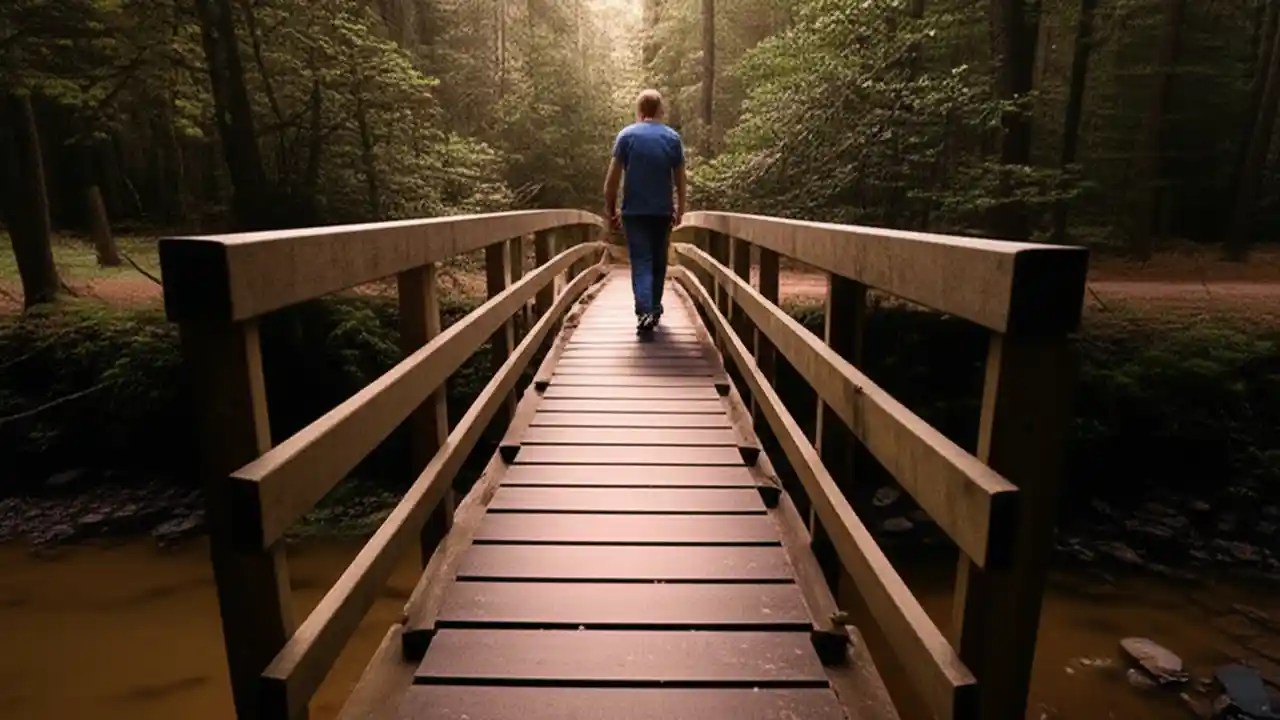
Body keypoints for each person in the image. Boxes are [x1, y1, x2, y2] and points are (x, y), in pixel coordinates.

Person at [604, 89, 687, 334]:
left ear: (639, 111)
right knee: (659, 261)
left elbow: (611, 181)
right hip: (662, 212)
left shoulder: (626, 136)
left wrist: (610, 211)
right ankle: (653, 308)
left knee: (641, 261)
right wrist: (681, 208)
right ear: (660, 111)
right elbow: (681, 180)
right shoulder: (672, 138)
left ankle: (646, 310)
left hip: (634, 212)